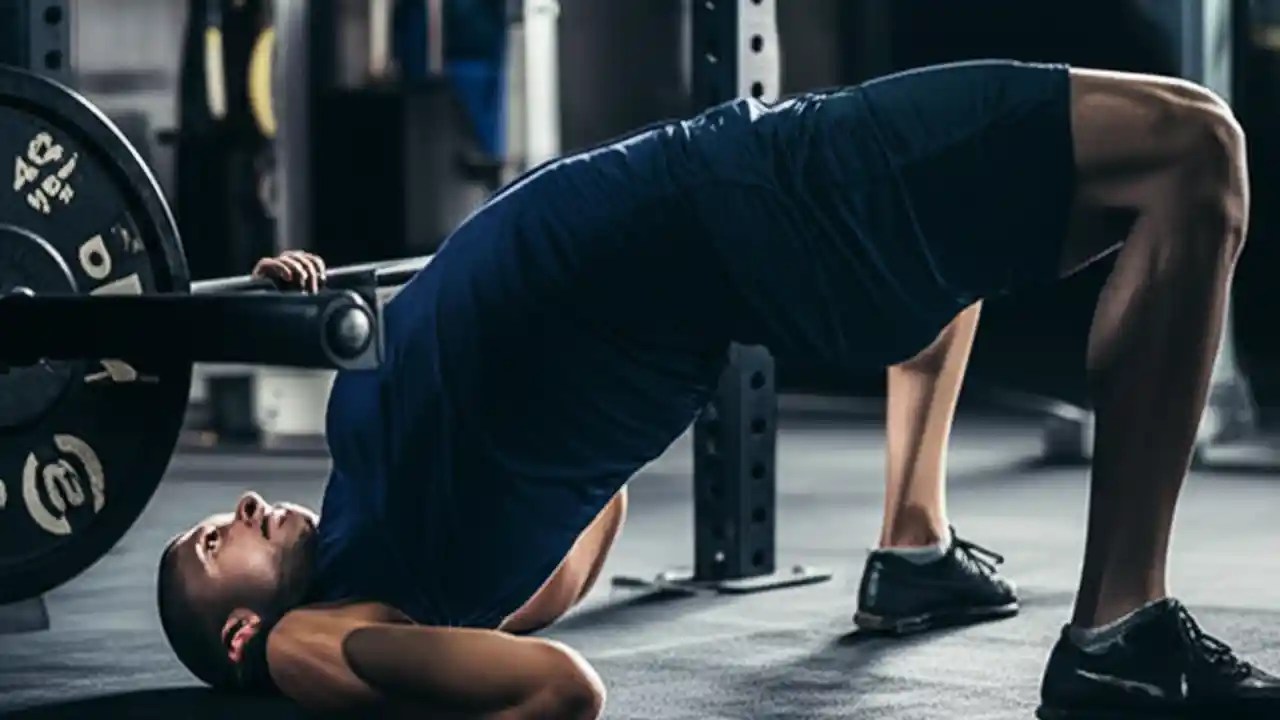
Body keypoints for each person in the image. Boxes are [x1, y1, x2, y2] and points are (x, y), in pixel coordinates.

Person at [156, 60, 1278, 719]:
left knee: (1004, 234)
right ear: (247, 635)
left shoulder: (417, 539)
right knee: (1192, 149)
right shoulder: (313, 638)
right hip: (744, 197)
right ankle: (1115, 635)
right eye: (218, 542)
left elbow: (594, 507)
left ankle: (914, 547)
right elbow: (558, 691)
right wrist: (322, 662)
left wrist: (363, 314)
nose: (245, 509)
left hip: (725, 216)